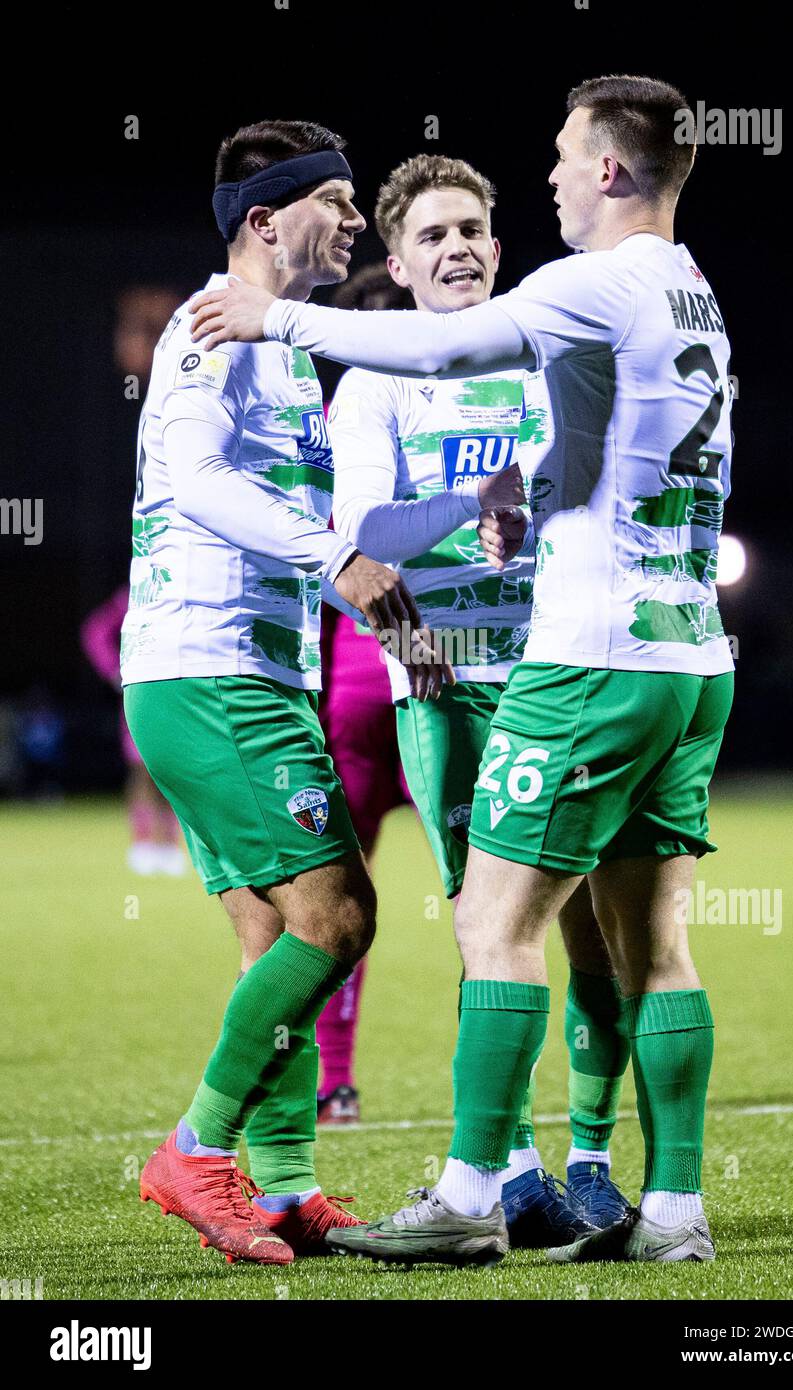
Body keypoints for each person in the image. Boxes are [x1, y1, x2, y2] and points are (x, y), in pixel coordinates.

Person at [189, 75, 736, 1267]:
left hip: (585, 660)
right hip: (688, 655)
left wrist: (272, 316)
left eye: (557, 154)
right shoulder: (691, 292)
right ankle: (675, 1213)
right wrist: (520, 497)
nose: (542, 178)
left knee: (492, 920)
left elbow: (439, 345)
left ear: (606, 168)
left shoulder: (591, 281)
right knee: (654, 945)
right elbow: (619, 457)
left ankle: (472, 1190)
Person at [125, 118, 441, 1266]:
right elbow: (191, 476)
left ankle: (290, 1185)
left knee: (278, 945)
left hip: (238, 676)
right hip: (212, 672)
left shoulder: (287, 350)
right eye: (338, 199)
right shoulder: (213, 329)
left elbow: (319, 517)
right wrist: (337, 561)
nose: (356, 218)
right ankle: (195, 1150)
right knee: (341, 916)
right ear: (265, 217)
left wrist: (407, 574)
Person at [327, 154, 631, 1245]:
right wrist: (467, 509)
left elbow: (599, 487)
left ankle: (593, 1159)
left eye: (471, 230)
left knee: (596, 921)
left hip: (563, 676)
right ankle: (512, 1171)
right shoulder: (373, 386)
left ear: (498, 250)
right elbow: (361, 541)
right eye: (431, 236)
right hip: (444, 688)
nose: (455, 248)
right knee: (480, 922)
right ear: (399, 264)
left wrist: (537, 514)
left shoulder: (548, 351)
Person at [315, 267, 415, 1126]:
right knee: (496, 897)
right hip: (435, 668)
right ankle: (506, 1122)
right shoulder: (445, 395)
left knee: (339, 899)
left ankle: (333, 1083)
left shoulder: (328, 419)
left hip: (351, 686)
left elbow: (311, 564)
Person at [81, 585, 185, 876]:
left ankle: (169, 844)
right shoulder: (135, 593)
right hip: (141, 688)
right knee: (142, 769)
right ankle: (143, 842)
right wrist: (114, 670)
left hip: (177, 691)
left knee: (171, 770)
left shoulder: (184, 587)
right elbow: (96, 630)